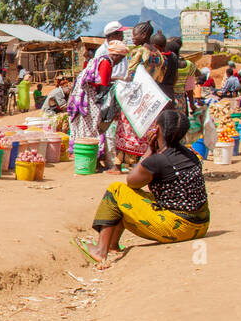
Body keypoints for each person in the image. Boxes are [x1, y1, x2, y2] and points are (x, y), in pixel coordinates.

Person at [75, 109, 210, 267]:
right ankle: (112, 245)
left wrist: (149, 150)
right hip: (201, 225)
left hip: (180, 227)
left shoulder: (159, 159)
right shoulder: (189, 154)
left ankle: (100, 250)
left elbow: (131, 181)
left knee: (116, 190)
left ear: (157, 129)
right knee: (130, 199)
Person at [111, 22, 164, 169]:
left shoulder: (138, 52)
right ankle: (143, 163)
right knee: (146, 130)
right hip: (150, 99)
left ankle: (118, 165)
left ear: (145, 35)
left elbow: (130, 76)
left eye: (135, 34)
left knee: (126, 131)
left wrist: (117, 82)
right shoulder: (158, 55)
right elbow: (160, 78)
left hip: (134, 98)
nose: (133, 37)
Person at [68, 41, 126, 171]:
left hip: (87, 96)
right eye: (120, 58)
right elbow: (103, 84)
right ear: (115, 55)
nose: (120, 61)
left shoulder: (102, 60)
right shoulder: (106, 63)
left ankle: (94, 159)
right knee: (94, 127)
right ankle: (96, 160)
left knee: (90, 127)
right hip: (90, 98)